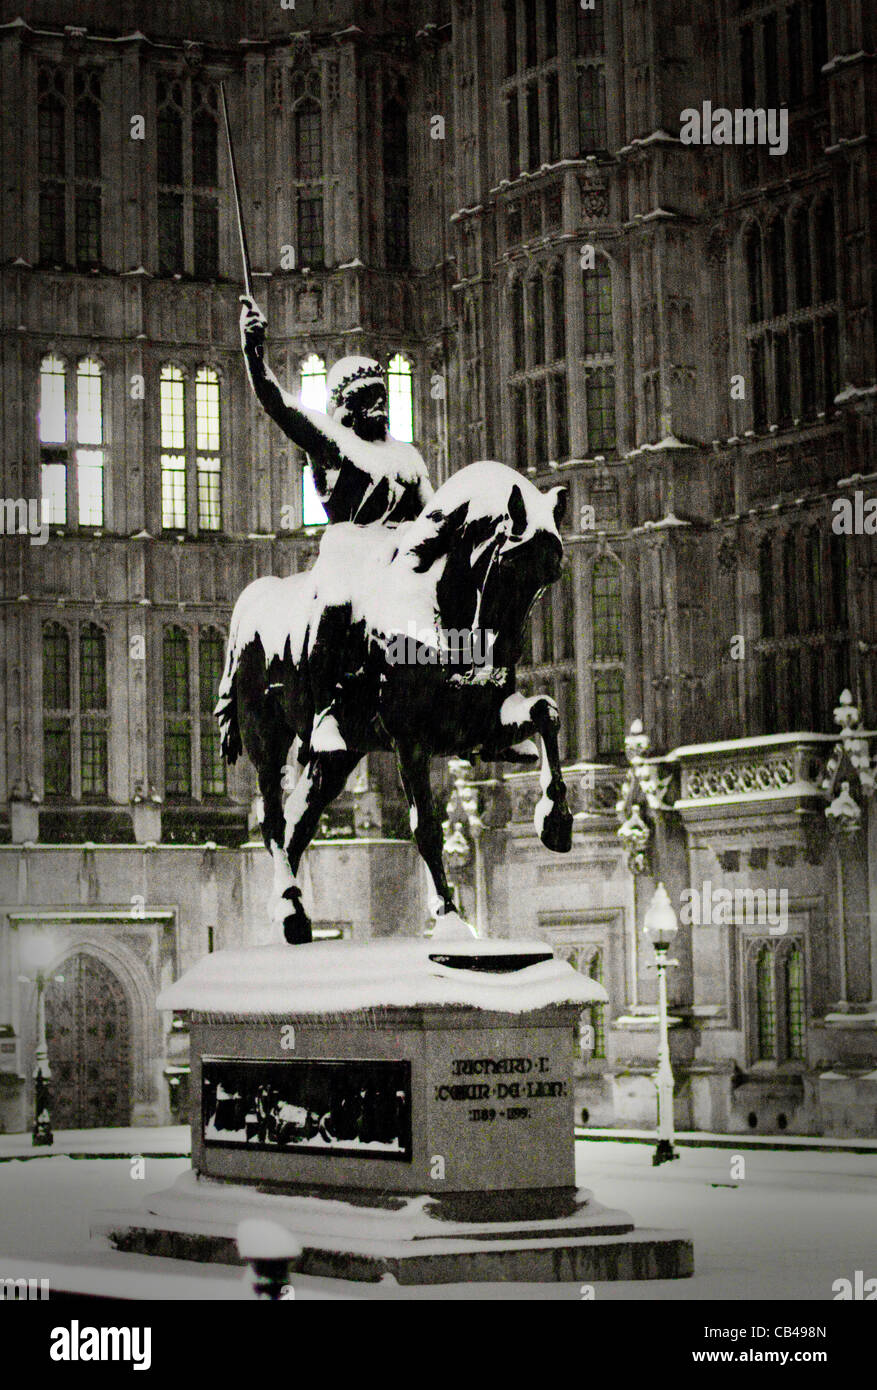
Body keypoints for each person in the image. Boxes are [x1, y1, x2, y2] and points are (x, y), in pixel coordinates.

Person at [239, 296, 433, 527]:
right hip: (349, 555)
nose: (380, 403)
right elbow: (279, 405)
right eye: (369, 396)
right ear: (348, 405)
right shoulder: (335, 444)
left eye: (383, 396)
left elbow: (435, 518)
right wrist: (253, 350)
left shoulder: (408, 457)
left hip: (398, 556)